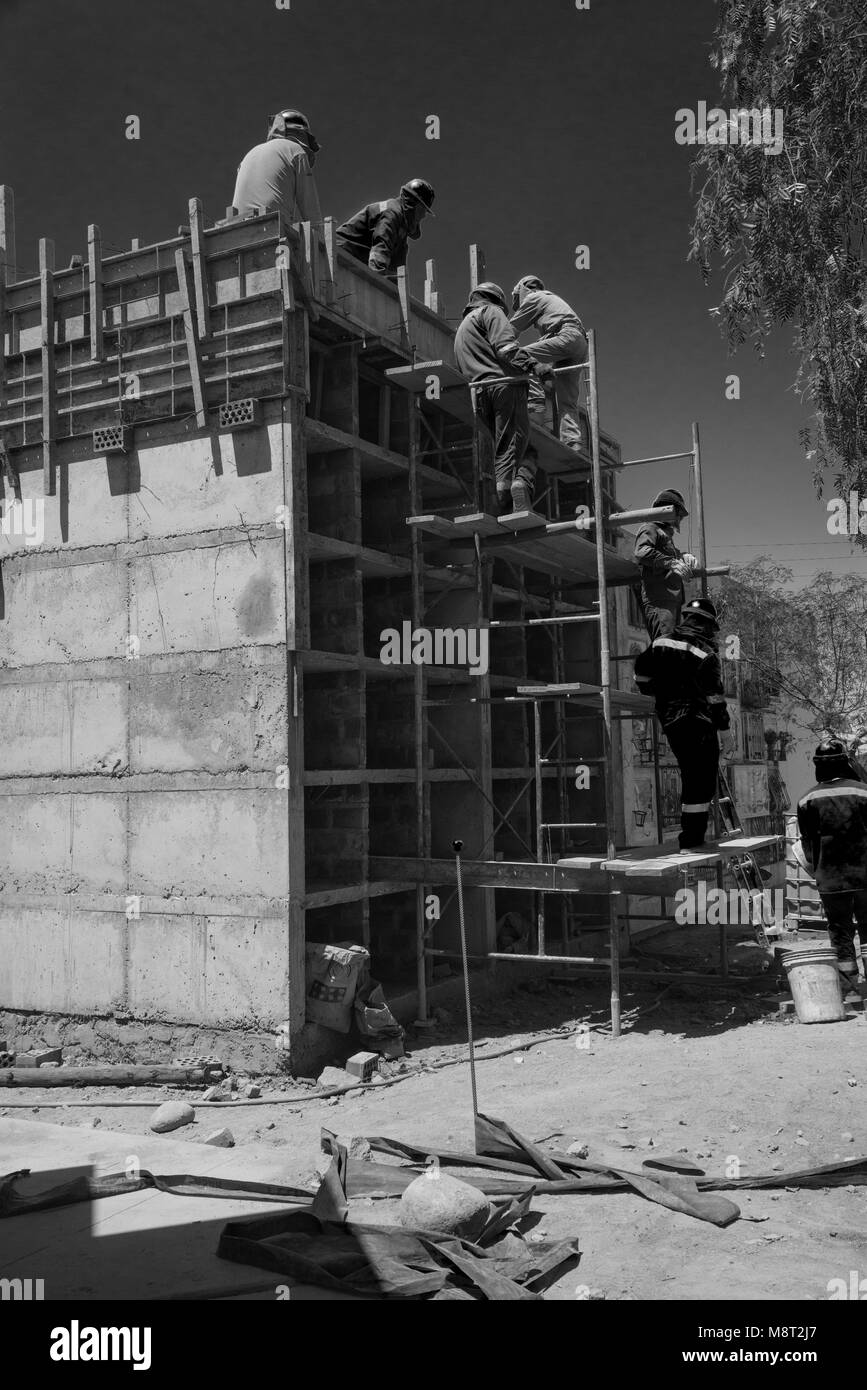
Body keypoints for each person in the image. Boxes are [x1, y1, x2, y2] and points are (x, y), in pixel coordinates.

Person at [634, 597, 732, 850]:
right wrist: (725, 731)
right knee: (701, 777)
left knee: (691, 771)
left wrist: (652, 690)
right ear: (708, 625)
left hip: (670, 718)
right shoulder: (705, 653)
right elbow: (715, 697)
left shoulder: (660, 642)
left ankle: (691, 837)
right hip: (696, 719)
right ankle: (692, 838)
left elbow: (641, 669)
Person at [453, 281, 549, 513]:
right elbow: (506, 348)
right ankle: (510, 499)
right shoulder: (491, 312)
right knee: (516, 449)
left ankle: (509, 496)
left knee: (508, 448)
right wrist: (535, 365)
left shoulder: (463, 328)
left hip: (479, 394)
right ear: (496, 301)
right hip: (504, 387)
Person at [797, 739, 867, 992]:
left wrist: (818, 871)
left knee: (840, 930)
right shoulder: (863, 792)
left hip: (831, 878)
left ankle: (849, 985)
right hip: (864, 875)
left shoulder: (807, 799)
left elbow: (806, 844)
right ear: (845, 763)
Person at [510, 275, 587, 449]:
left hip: (566, 335)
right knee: (567, 399)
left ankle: (536, 403)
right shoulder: (551, 300)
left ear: (523, 290)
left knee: (522, 356)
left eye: (517, 297)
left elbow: (511, 332)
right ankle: (572, 442)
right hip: (579, 344)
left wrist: (488, 344)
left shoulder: (534, 297)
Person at [232, 109, 322, 226]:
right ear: (301, 134)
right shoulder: (295, 150)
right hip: (272, 224)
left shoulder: (249, 155)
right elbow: (309, 206)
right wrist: (322, 240)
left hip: (236, 227)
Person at [633, 489, 699, 638]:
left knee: (672, 648)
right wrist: (672, 563)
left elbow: (670, 555)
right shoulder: (650, 528)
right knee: (666, 647)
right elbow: (641, 551)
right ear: (667, 510)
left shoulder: (665, 536)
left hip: (671, 601)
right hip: (659, 601)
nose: (680, 518)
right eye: (679, 513)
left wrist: (683, 556)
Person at [336, 180, 436, 275]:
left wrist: (397, 289)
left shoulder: (401, 224)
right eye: (422, 209)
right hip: (339, 252)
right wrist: (378, 285)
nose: (423, 215)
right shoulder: (392, 214)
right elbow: (380, 251)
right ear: (411, 204)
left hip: (352, 258)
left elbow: (397, 264)